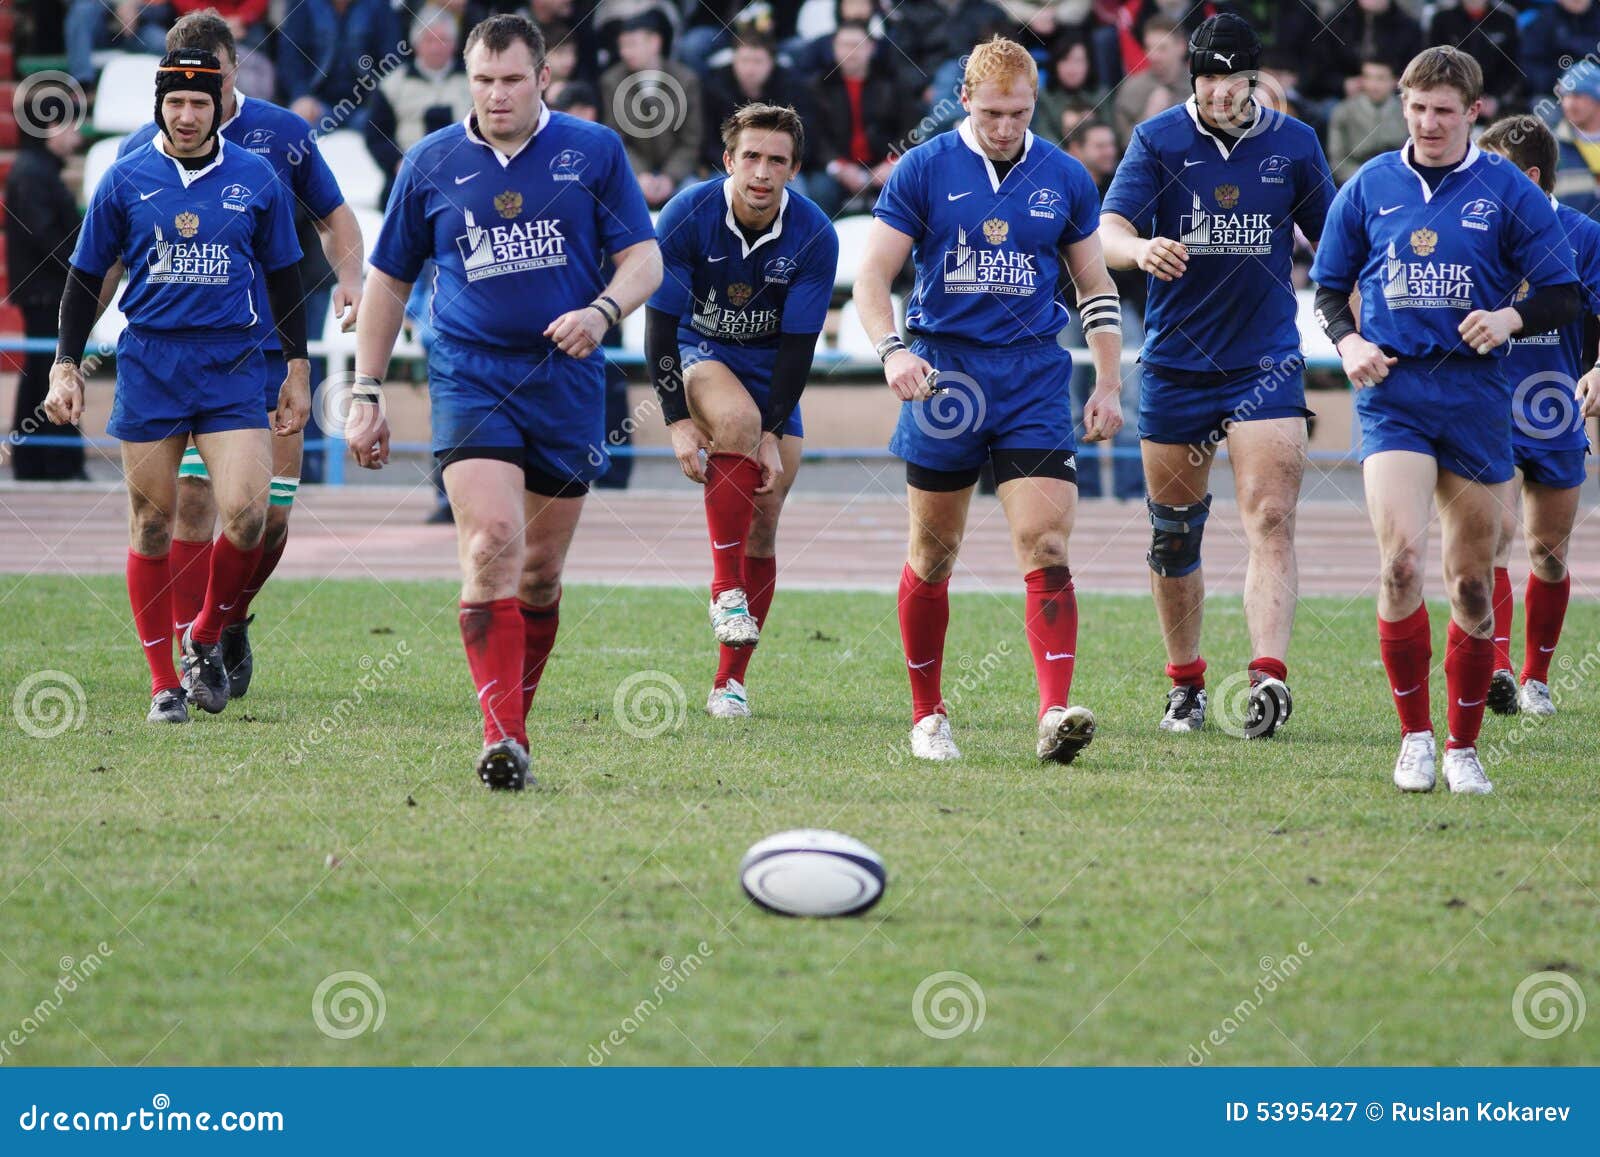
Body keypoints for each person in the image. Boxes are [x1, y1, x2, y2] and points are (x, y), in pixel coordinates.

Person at [352, 14, 661, 790]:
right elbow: (387, 281)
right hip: (470, 374)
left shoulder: (594, 152)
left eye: (512, 80)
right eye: (483, 80)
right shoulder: (429, 161)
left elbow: (644, 259)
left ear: (543, 79)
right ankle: (503, 736)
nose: (496, 94)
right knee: (492, 542)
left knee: (541, 574)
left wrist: (602, 312)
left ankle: (511, 719)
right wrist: (365, 391)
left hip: (567, 380)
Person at [1311, 47, 1582, 794]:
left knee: (1470, 584)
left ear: (1472, 113)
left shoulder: (1505, 188)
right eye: (1418, 108)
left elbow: (1562, 292)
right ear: (1403, 105)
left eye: (1443, 111)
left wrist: (1509, 317)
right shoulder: (1370, 185)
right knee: (1400, 562)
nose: (1428, 123)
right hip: (1395, 392)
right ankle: (1416, 738)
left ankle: (1464, 746)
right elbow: (1328, 290)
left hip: (1475, 397)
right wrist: (1351, 342)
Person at [853, 35, 1125, 765]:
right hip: (945, 375)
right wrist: (894, 351)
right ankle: (927, 715)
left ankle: (1054, 712)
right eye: (993, 112)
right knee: (933, 552)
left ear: (1037, 104)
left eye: (1020, 113)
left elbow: (1095, 285)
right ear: (965, 100)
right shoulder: (923, 167)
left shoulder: (1065, 175)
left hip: (1033, 375)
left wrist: (1107, 380)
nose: (1006, 127)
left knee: (1046, 542)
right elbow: (872, 277)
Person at [45, 49, 311, 724]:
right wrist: (65, 363)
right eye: (175, 102)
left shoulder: (255, 177)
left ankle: (204, 635)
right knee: (153, 521)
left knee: (248, 514)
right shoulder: (125, 177)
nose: (187, 115)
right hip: (152, 365)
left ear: (219, 106)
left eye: (199, 102)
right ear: (159, 105)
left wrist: (298, 368)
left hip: (231, 365)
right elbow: (86, 276)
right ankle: (164, 685)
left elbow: (285, 276)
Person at [118, 8, 365, 700]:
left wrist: (351, 276)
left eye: (219, 80)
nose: (207, 96)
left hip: (271, 348)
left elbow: (335, 216)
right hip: (189, 358)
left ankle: (227, 619)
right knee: (193, 503)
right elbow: (108, 252)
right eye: (189, 86)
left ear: (236, 71)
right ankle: (192, 653)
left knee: (268, 516)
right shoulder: (141, 150)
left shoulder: (283, 135)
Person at [1099, 14, 1334, 738]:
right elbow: (1107, 232)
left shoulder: (1294, 143)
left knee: (1271, 514)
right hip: (1176, 362)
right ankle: (1186, 685)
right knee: (1174, 534)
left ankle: (1267, 679)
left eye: (1232, 80)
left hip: (1265, 360)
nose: (1218, 93)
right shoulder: (1158, 139)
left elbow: (1336, 242)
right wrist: (1141, 251)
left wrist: (1360, 331)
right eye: (1206, 79)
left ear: (1255, 80)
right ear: (1192, 78)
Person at [646, 103, 838, 719]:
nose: (761, 172)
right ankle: (724, 588)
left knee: (765, 519)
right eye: (750, 156)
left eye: (776, 160)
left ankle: (729, 683)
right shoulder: (687, 213)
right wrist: (677, 420)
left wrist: (774, 430)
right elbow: (659, 327)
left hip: (772, 372)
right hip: (701, 353)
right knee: (734, 421)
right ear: (728, 160)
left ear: (794, 169)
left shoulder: (815, 233)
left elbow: (799, 347)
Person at [1476, 115, 1600, 717]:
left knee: (1548, 552)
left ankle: (1536, 677)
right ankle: (1497, 667)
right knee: (1492, 541)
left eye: (1493, 170)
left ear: (1528, 177)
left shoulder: (1583, 234)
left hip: (1555, 409)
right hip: (1489, 406)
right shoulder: (1474, 231)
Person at [5, 85, 87, 481]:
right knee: (47, 374)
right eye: (70, 126)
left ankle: (42, 461)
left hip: (46, 292)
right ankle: (50, 461)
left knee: (42, 373)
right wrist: (82, 268)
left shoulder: (36, 171)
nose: (77, 136)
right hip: (45, 293)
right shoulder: (33, 174)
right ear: (51, 126)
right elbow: (47, 238)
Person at [599, 10, 703, 209]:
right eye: (622, 45)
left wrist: (670, 177)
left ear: (655, 42)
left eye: (632, 44)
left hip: (678, 175)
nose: (625, 52)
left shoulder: (686, 80)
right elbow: (615, 138)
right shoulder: (611, 81)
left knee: (693, 198)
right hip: (633, 173)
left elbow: (691, 141)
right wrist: (639, 175)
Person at [1326, 54, 1406, 185]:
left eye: (1381, 78)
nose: (1373, 85)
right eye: (1368, 77)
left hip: (1399, 179)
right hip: (1355, 181)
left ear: (1394, 81)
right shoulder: (1343, 111)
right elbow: (1337, 161)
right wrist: (1366, 179)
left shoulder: (1406, 112)